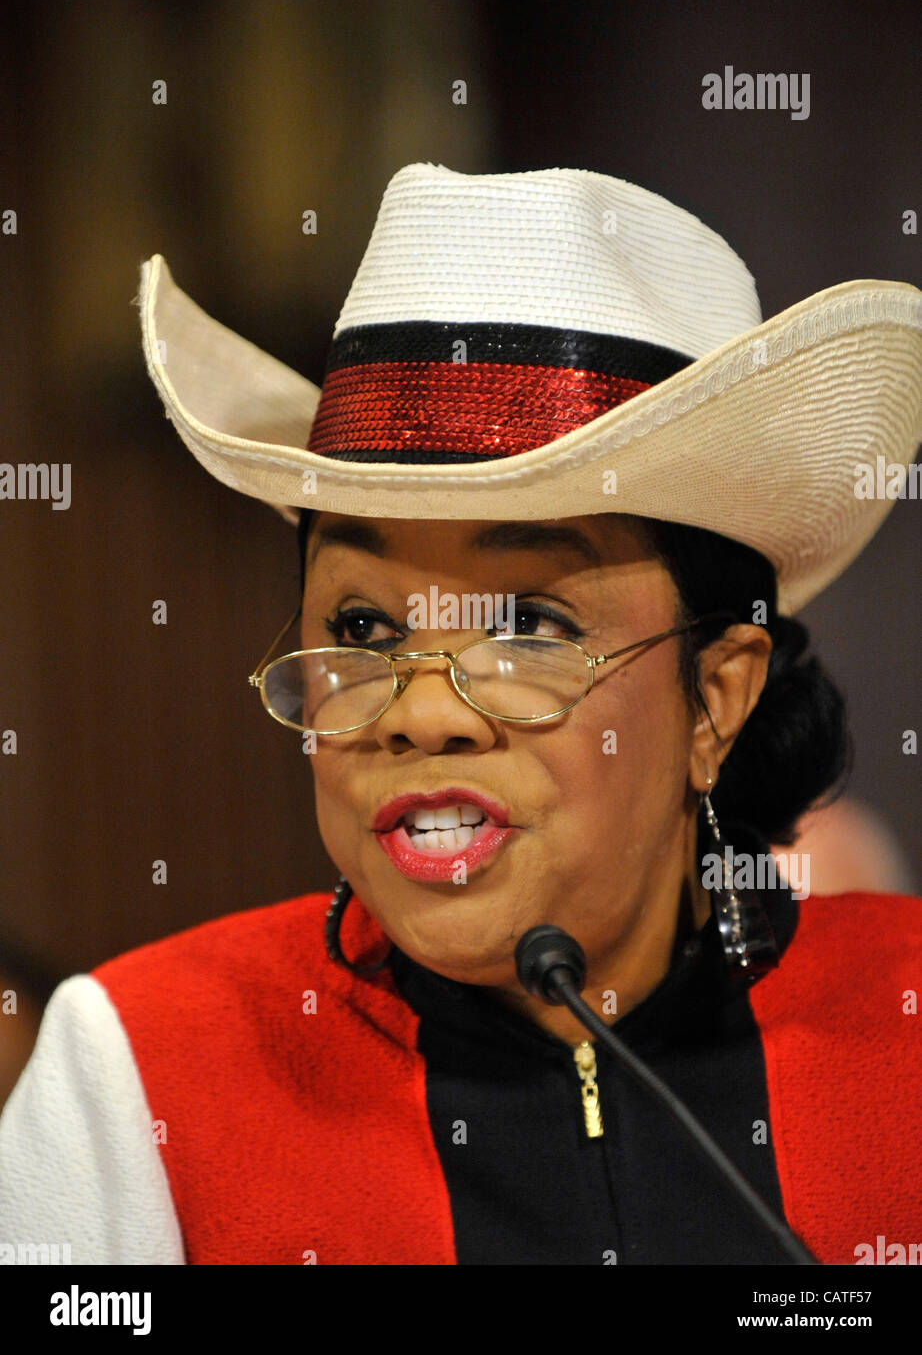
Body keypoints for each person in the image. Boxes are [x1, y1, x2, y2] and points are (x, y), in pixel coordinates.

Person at [1, 163, 920, 1266]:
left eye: (528, 623)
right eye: (363, 628)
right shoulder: (135, 1068)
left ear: (715, 694)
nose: (422, 714)